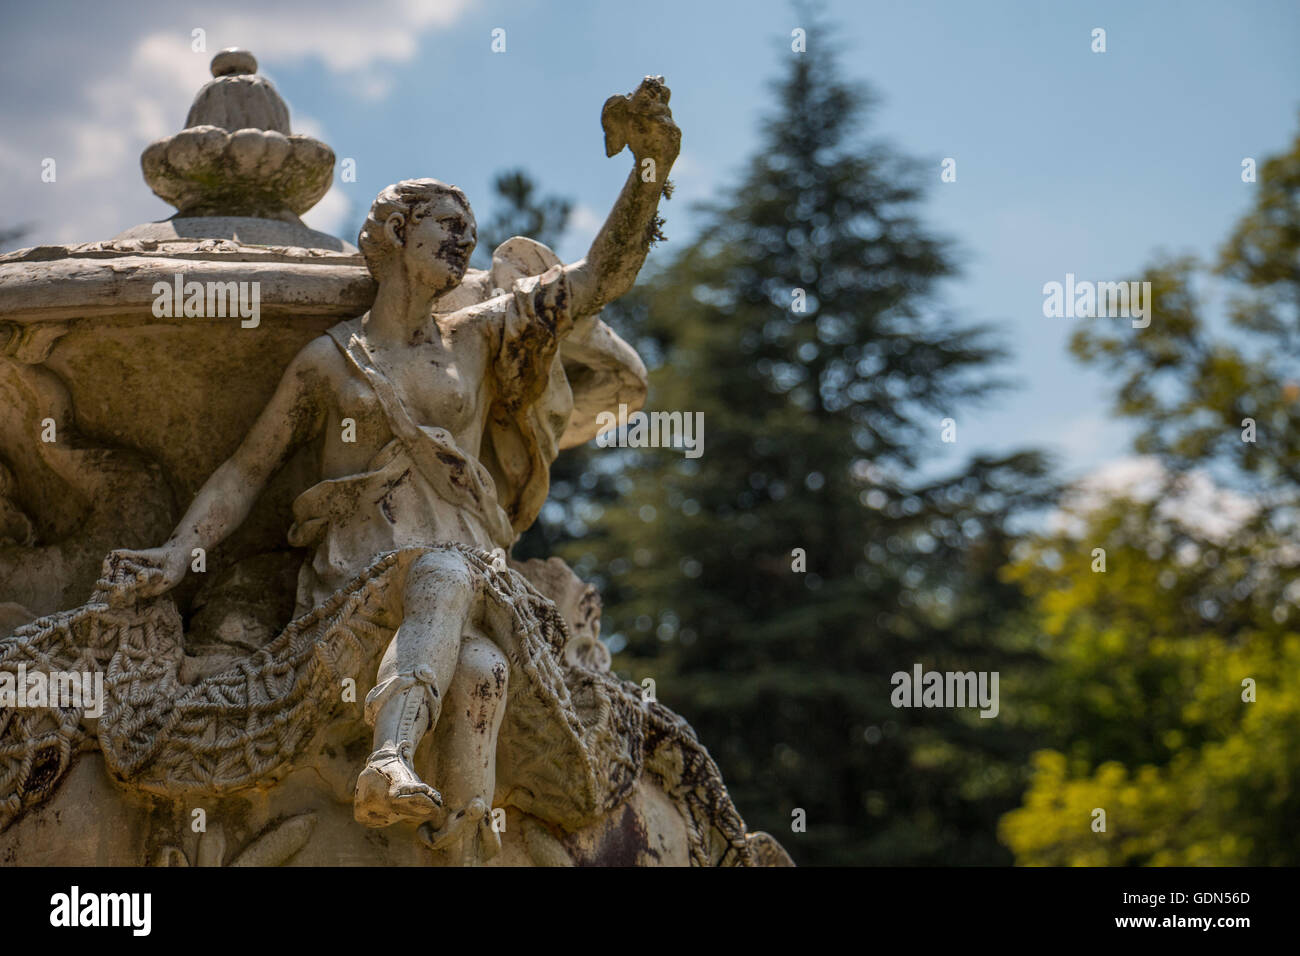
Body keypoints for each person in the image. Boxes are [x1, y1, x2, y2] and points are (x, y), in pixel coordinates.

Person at [103, 76, 680, 861]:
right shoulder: (328, 362)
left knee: (481, 672)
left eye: (470, 230)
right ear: (392, 233)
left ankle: (454, 834)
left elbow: (596, 280)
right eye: (446, 223)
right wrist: (178, 554)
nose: (464, 240)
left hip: (469, 582)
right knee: (440, 575)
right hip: (355, 582)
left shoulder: (476, 338)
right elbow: (244, 471)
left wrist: (649, 173)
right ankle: (388, 761)